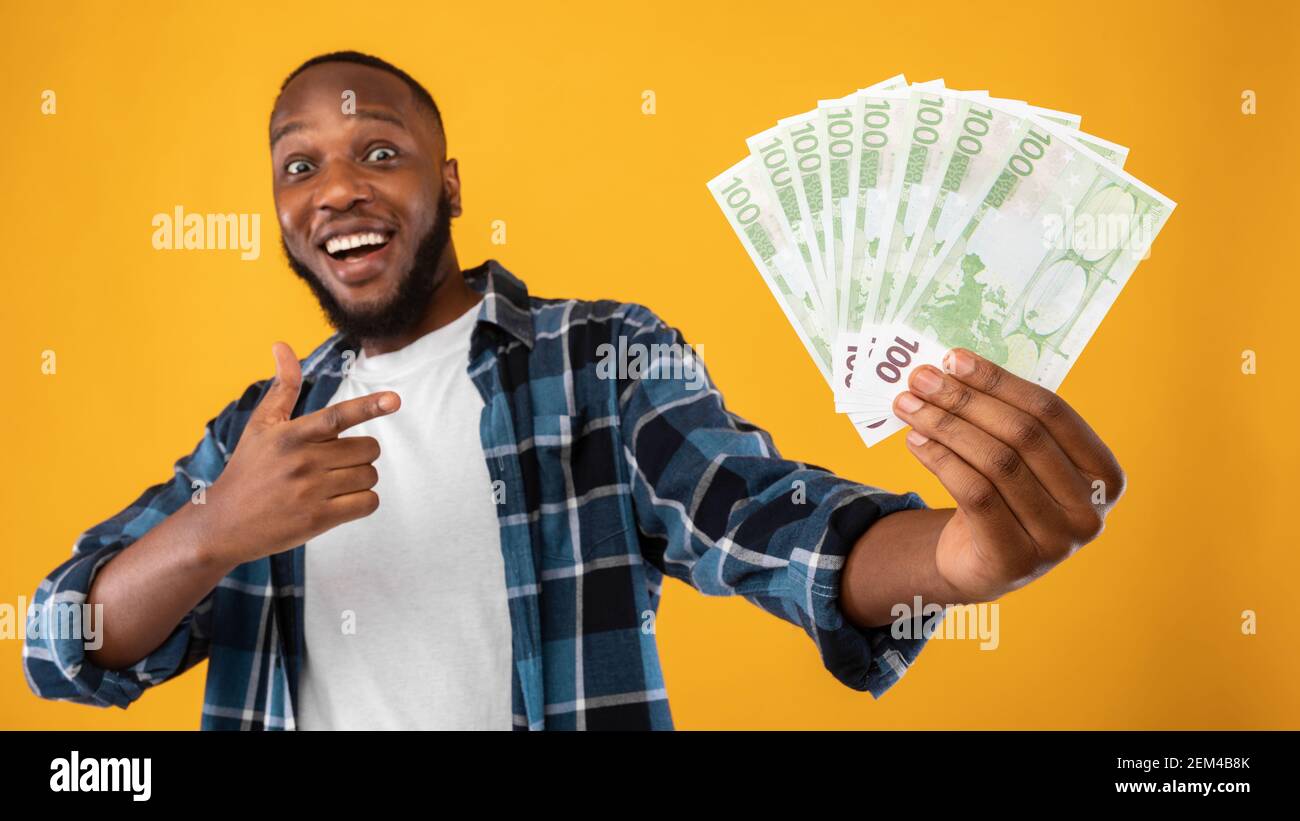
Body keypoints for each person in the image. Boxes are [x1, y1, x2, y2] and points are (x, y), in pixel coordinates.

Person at [22, 51, 1125, 730]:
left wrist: (955, 559)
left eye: (379, 151)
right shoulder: (255, 434)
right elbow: (60, 639)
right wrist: (216, 528)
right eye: (298, 166)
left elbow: (757, 519)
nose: (339, 187)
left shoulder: (596, 360)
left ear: (446, 184)